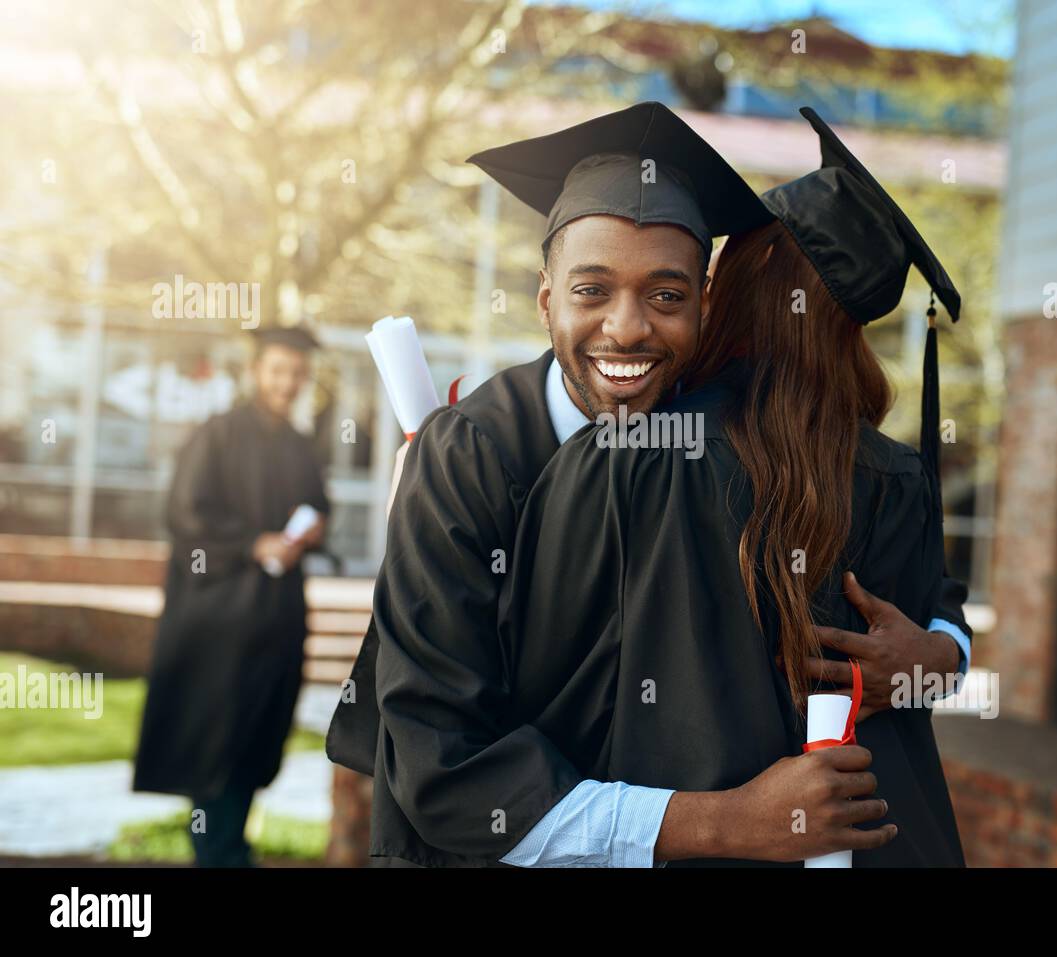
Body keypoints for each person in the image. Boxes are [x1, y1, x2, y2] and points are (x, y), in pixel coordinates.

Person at [327, 102, 971, 866]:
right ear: (546, 298)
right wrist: (725, 822)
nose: (628, 329)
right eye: (591, 290)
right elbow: (444, 764)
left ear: (708, 302)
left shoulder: (744, 455)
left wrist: (940, 657)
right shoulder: (467, 456)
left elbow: (932, 605)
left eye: (666, 296)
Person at [133, 326, 329, 868]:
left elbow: (316, 504)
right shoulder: (216, 434)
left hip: (276, 615)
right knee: (215, 736)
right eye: (277, 371)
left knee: (257, 734)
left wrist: (313, 530)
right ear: (255, 371)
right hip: (219, 617)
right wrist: (252, 543)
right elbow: (185, 515)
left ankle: (231, 846)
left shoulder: (298, 443)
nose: (288, 383)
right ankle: (218, 852)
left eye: (297, 373)